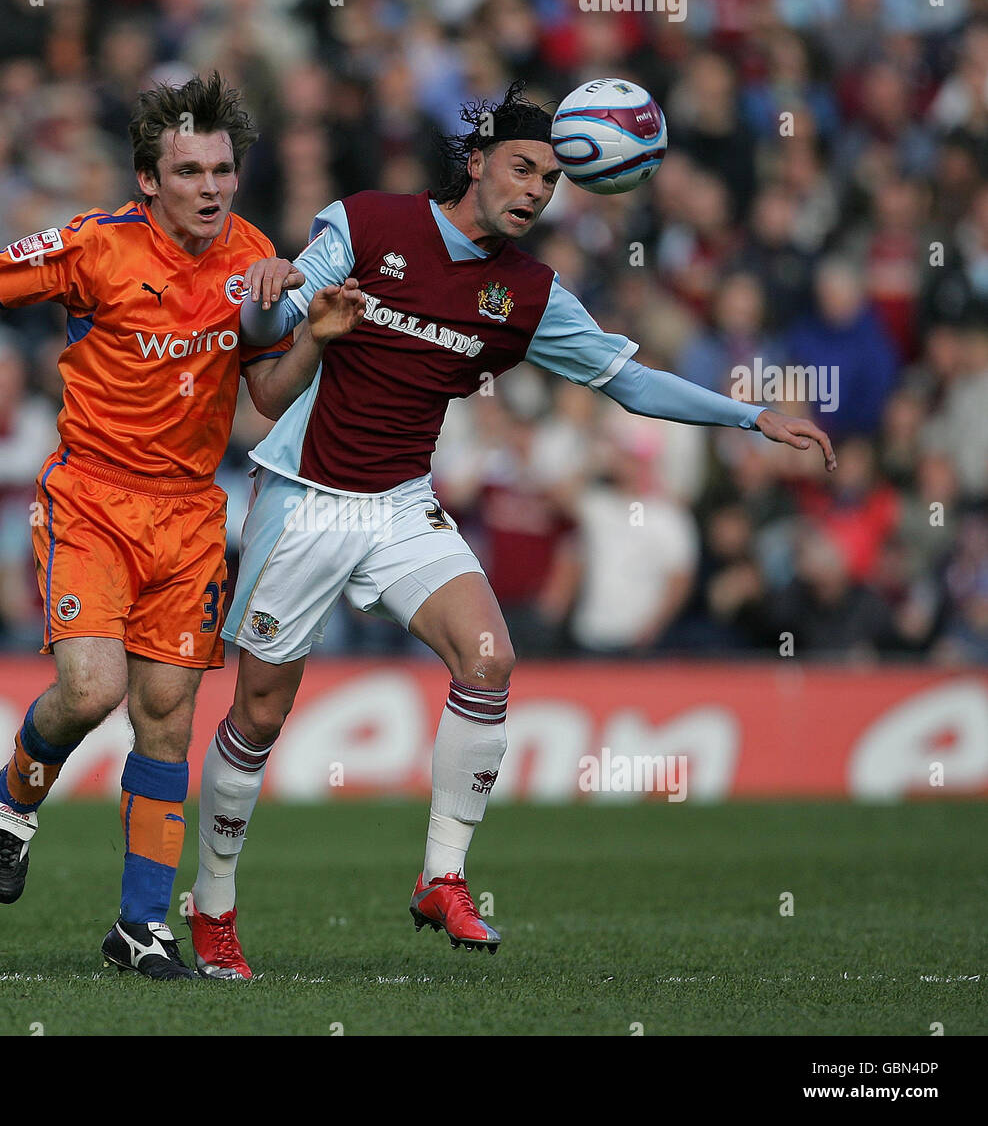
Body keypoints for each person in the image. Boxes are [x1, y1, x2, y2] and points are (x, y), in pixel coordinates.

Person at [188, 82, 835, 980]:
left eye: (554, 180)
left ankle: (442, 877)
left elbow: (630, 379)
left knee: (489, 659)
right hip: (304, 497)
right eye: (524, 169)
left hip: (401, 504)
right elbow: (273, 334)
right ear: (480, 161)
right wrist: (268, 296)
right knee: (258, 713)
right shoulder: (369, 223)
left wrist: (747, 418)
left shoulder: (528, 293)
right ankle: (212, 910)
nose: (536, 191)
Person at [0, 72, 365, 981]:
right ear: (149, 179)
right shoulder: (95, 247)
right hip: (93, 499)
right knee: (93, 689)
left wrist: (313, 341)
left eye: (223, 169)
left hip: (188, 517)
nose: (213, 188)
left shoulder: (253, 255)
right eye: (191, 171)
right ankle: (18, 790)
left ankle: (140, 927)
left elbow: (263, 394)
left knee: (167, 720)